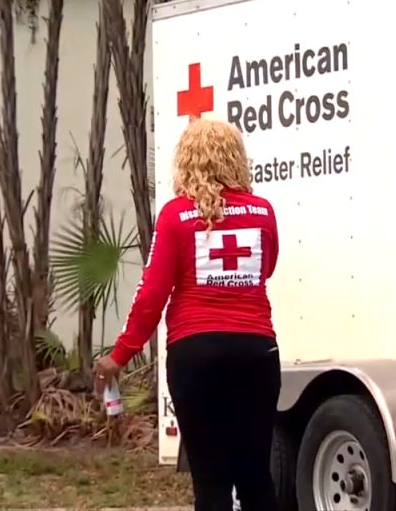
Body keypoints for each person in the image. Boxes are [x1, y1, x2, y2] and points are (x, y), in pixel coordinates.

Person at [94, 118, 280, 511]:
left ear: (186, 160)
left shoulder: (175, 216)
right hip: (256, 353)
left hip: (195, 354)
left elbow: (152, 297)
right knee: (256, 478)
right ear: (236, 159)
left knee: (210, 482)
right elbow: (267, 269)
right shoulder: (263, 212)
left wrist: (120, 355)